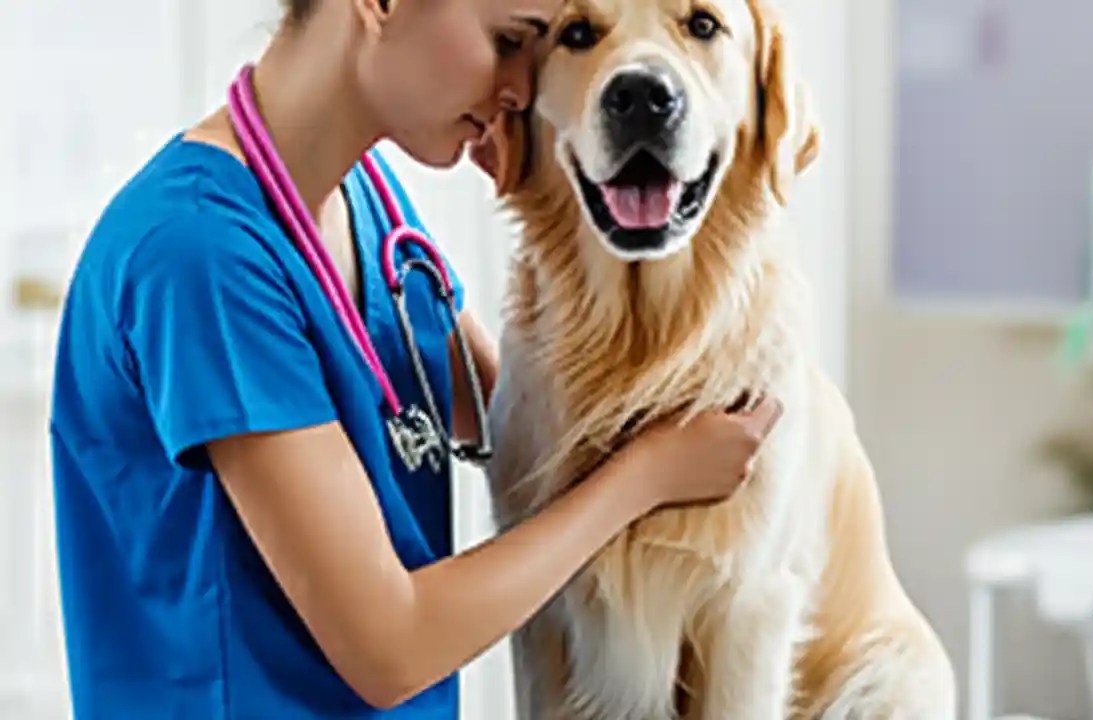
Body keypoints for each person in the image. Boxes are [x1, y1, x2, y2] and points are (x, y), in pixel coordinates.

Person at [46, 0, 784, 718]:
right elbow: (389, 650)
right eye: (508, 41)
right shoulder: (200, 255)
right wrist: (650, 476)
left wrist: (567, 193)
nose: (521, 90)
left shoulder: (366, 200)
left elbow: (515, 418)